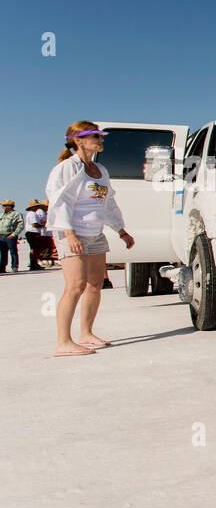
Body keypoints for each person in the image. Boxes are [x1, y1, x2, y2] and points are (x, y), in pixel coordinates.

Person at [44, 122, 136, 356]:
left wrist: (120, 230)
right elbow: (59, 202)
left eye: (101, 136)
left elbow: (108, 203)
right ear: (79, 140)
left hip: (95, 234)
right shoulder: (67, 168)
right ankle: (63, 342)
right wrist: (69, 233)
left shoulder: (100, 170)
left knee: (95, 285)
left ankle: (86, 333)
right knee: (74, 287)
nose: (101, 139)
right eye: (96, 136)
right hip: (72, 233)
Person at [0, 200, 22, 272]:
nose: (2, 207)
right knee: (3, 252)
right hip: (1, 236)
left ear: (9, 206)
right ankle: (2, 267)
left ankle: (14, 266)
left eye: (4, 205)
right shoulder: (2, 214)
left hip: (10, 236)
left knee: (13, 252)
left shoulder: (16, 214)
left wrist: (14, 234)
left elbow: (20, 225)